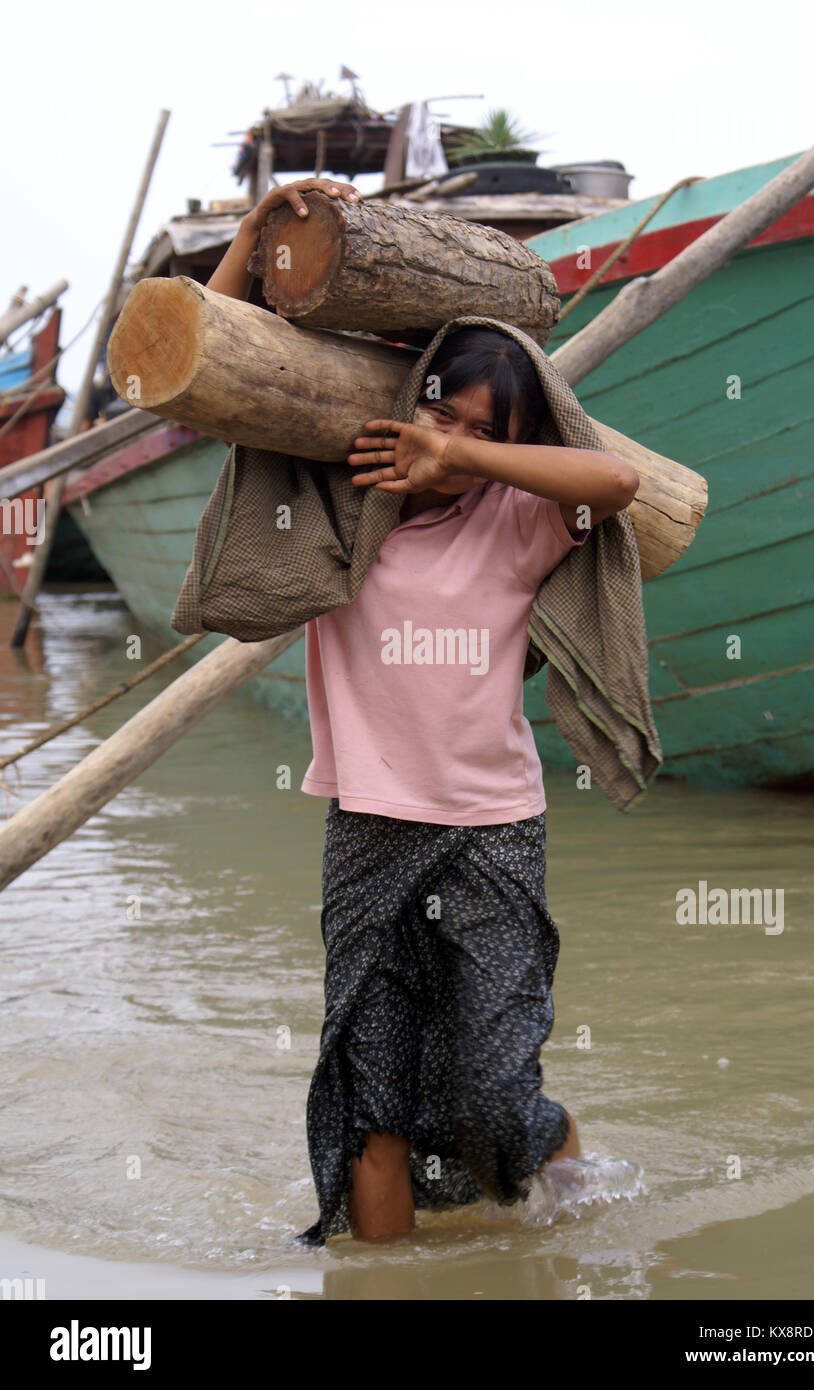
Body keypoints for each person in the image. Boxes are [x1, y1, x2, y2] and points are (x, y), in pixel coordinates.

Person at [207, 178, 642, 1246]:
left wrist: (465, 458)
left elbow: (617, 483)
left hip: (492, 828)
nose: (437, 438)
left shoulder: (521, 518)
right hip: (366, 826)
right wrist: (260, 233)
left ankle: (550, 1133)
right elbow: (210, 366)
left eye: (474, 427)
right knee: (375, 1103)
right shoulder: (340, 496)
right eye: (434, 410)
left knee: (494, 1090)